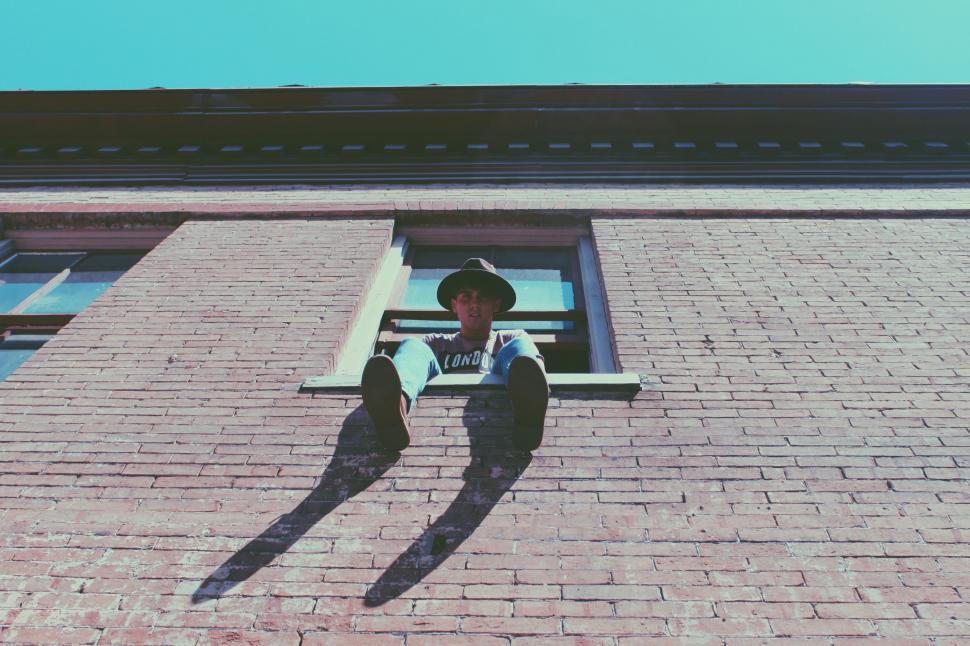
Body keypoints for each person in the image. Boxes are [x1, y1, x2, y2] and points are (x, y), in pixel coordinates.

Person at [362, 257, 549, 452]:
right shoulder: (434, 344)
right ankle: (396, 407)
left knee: (521, 344)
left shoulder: (509, 340)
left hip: (502, 390)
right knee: (411, 344)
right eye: (466, 297)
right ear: (454, 305)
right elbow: (415, 354)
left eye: (483, 297)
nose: (474, 304)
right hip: (439, 412)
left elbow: (523, 355)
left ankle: (529, 413)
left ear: (496, 304)